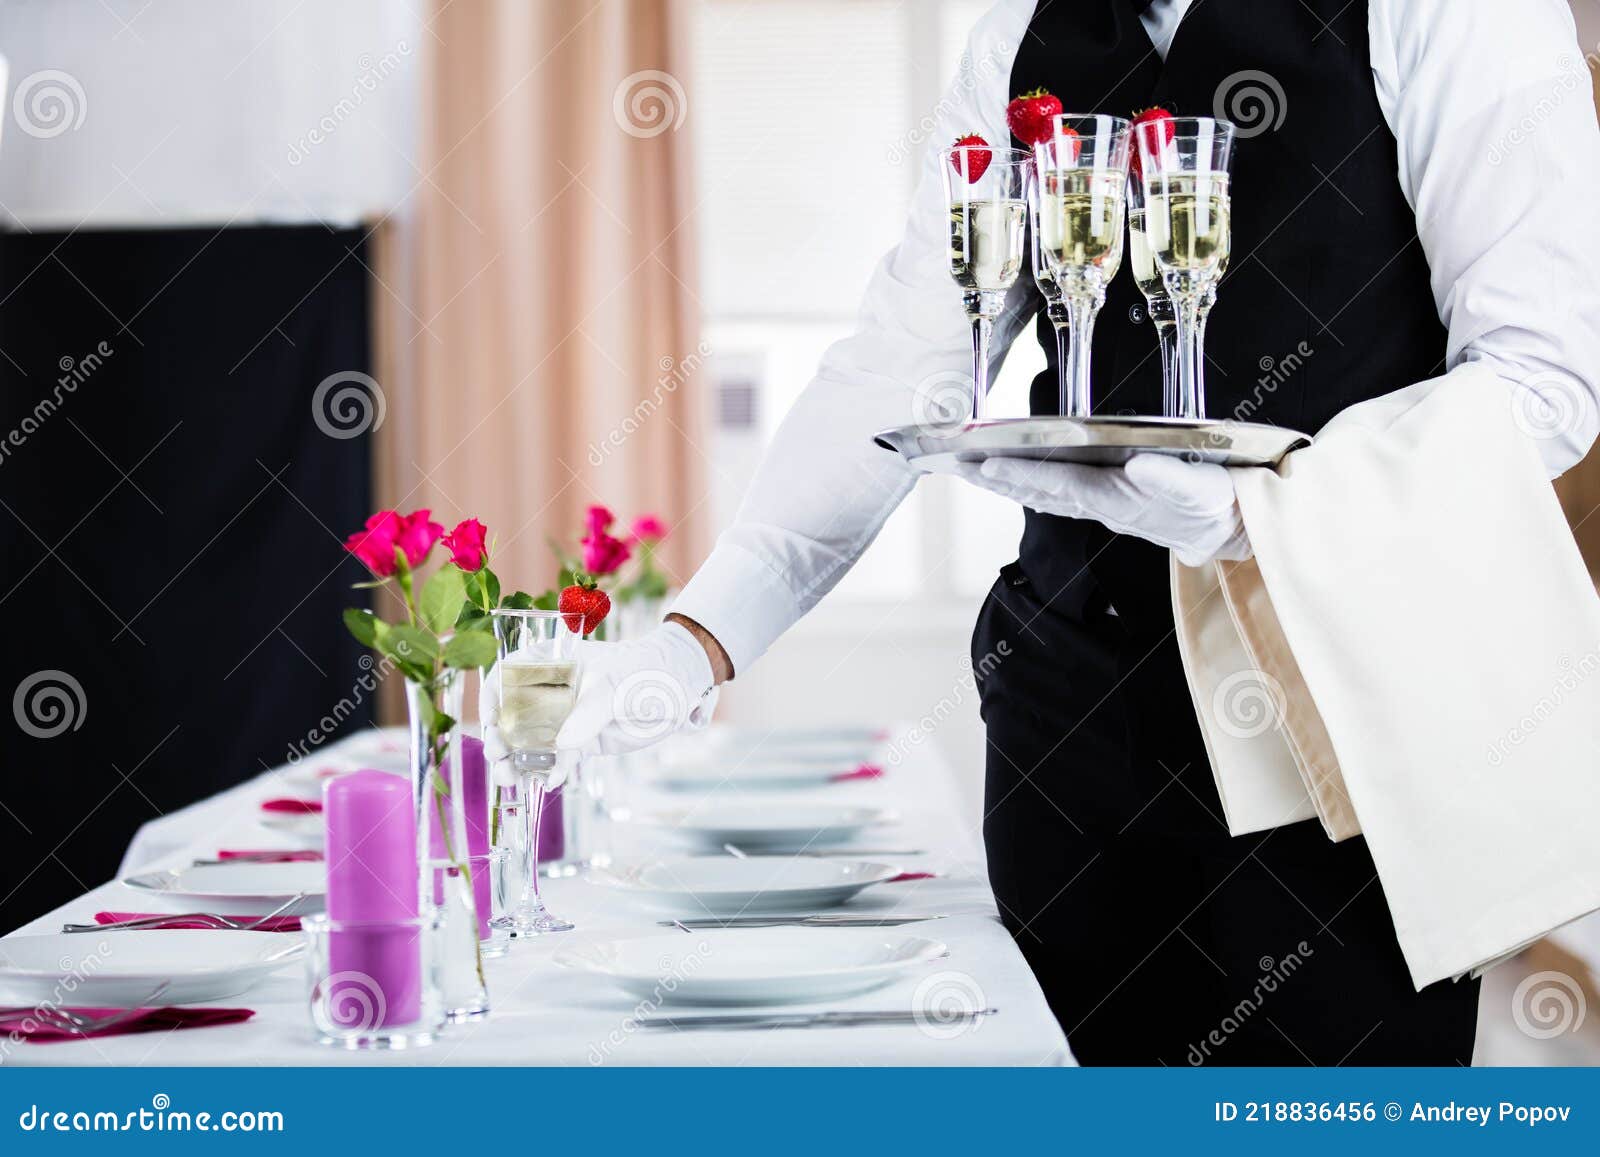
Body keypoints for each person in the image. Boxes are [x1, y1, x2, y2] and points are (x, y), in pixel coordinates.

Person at [555, 0, 1600, 1064]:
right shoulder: (1017, 30)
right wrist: (693, 642)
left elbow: (1548, 382)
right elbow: (895, 360)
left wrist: (1257, 514)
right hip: (1066, 704)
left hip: (1338, 723)